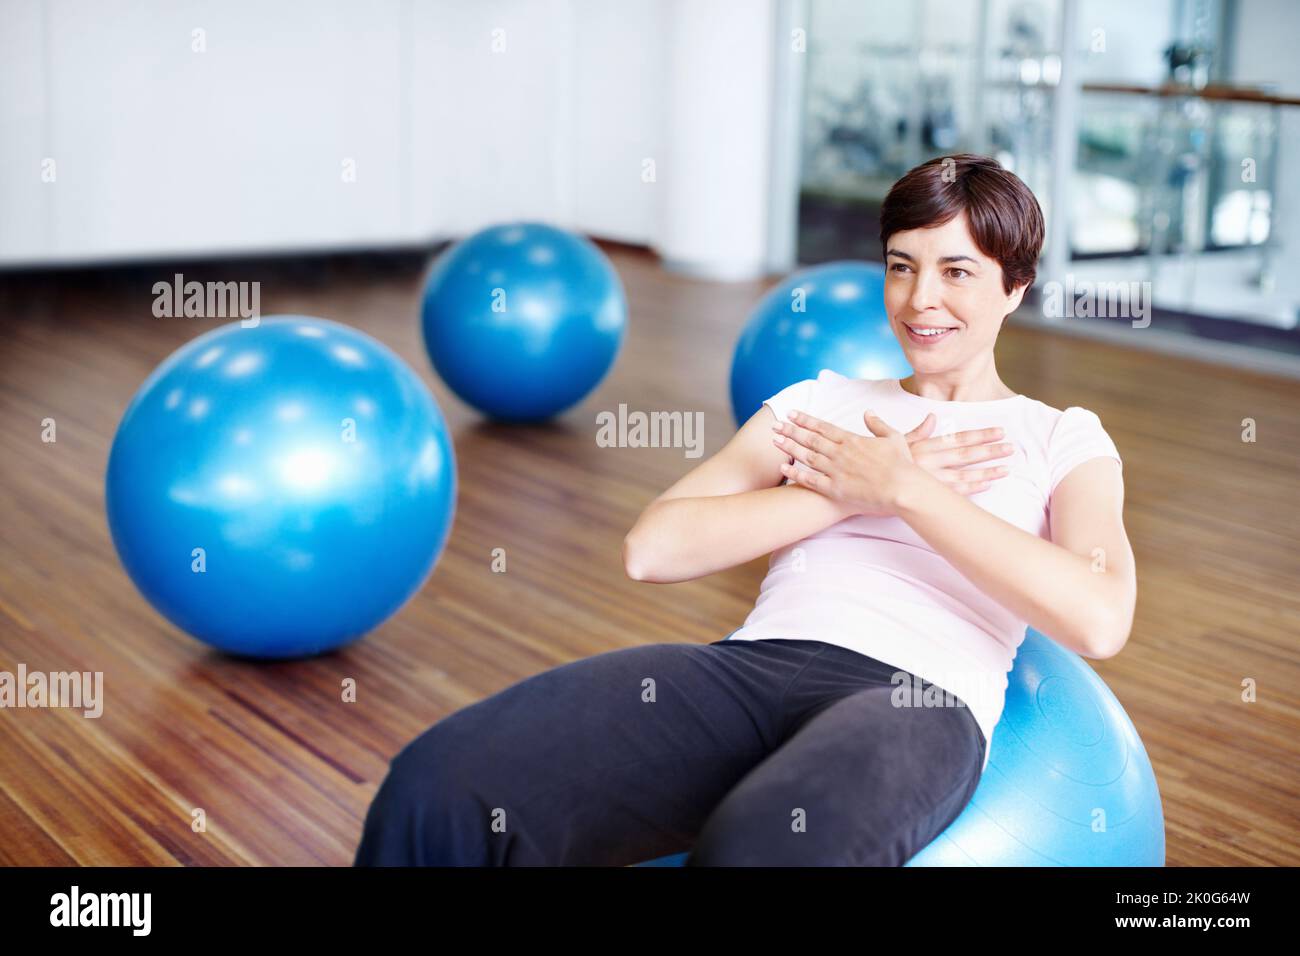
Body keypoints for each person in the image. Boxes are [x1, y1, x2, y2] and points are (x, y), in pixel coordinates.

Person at [354, 153, 1136, 866]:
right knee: (440, 785)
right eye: (902, 266)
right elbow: (652, 549)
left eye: (957, 271)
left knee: (766, 845)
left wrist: (909, 492)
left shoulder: (1061, 436)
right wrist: (839, 493)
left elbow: (1099, 617)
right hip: (749, 668)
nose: (920, 299)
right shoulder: (820, 401)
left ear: (1016, 285)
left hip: (918, 697)